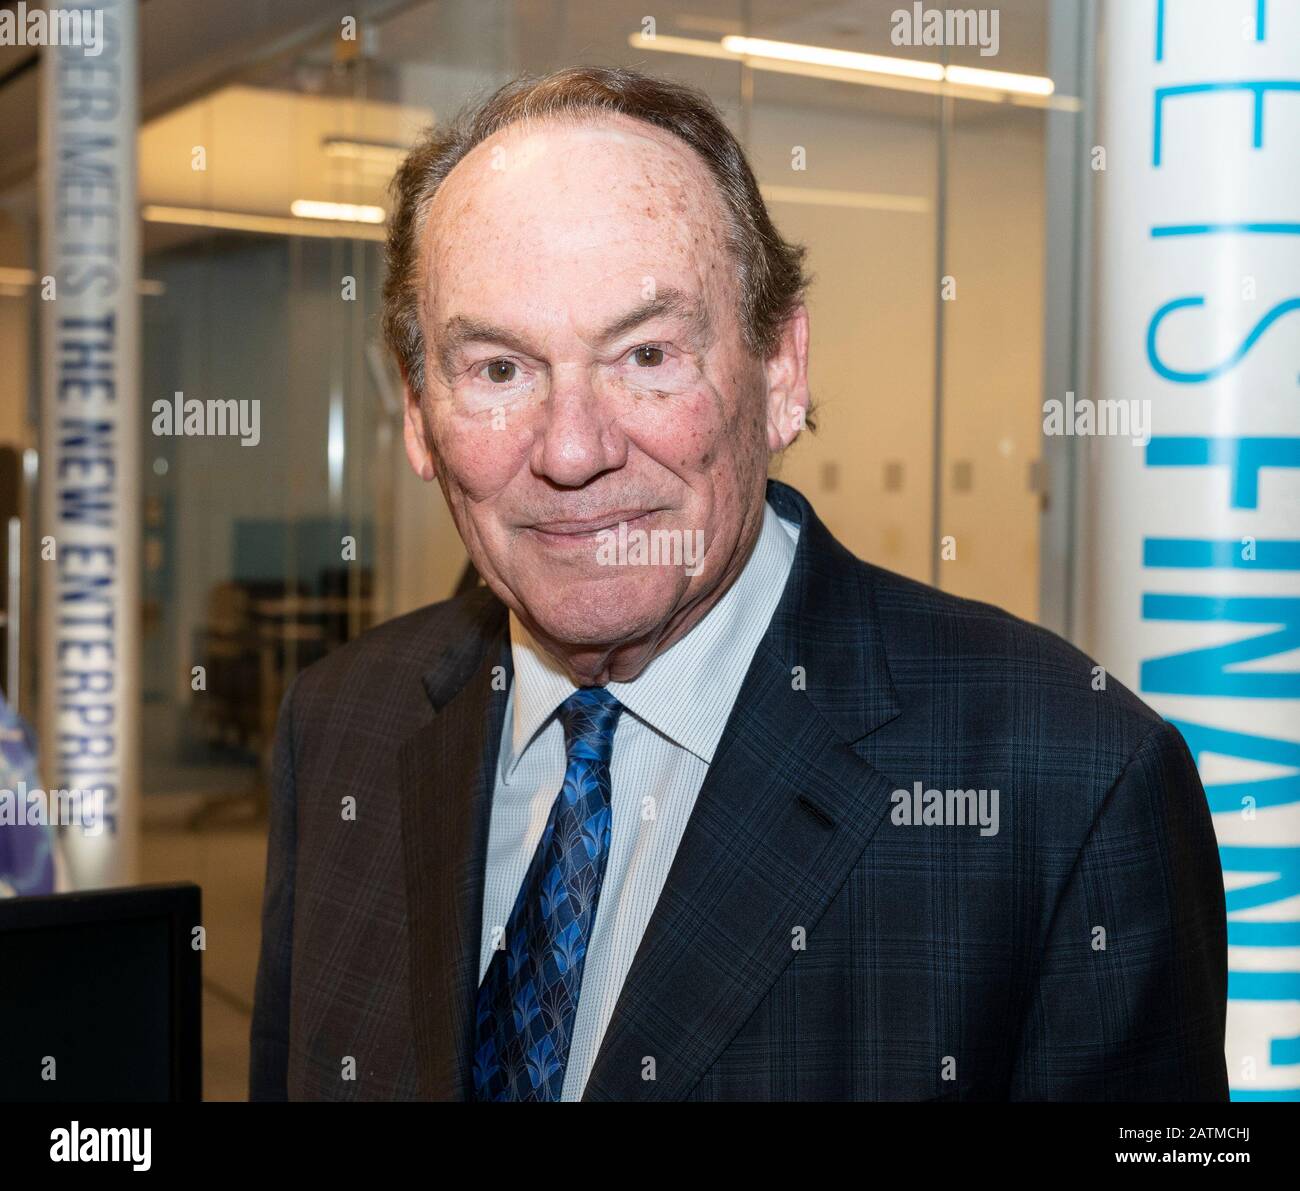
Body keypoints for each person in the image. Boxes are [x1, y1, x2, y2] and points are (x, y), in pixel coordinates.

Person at [250, 66, 1228, 1101]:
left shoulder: (1067, 786)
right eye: (498, 369)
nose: (572, 450)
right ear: (416, 413)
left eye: (647, 353)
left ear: (779, 371)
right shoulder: (341, 725)